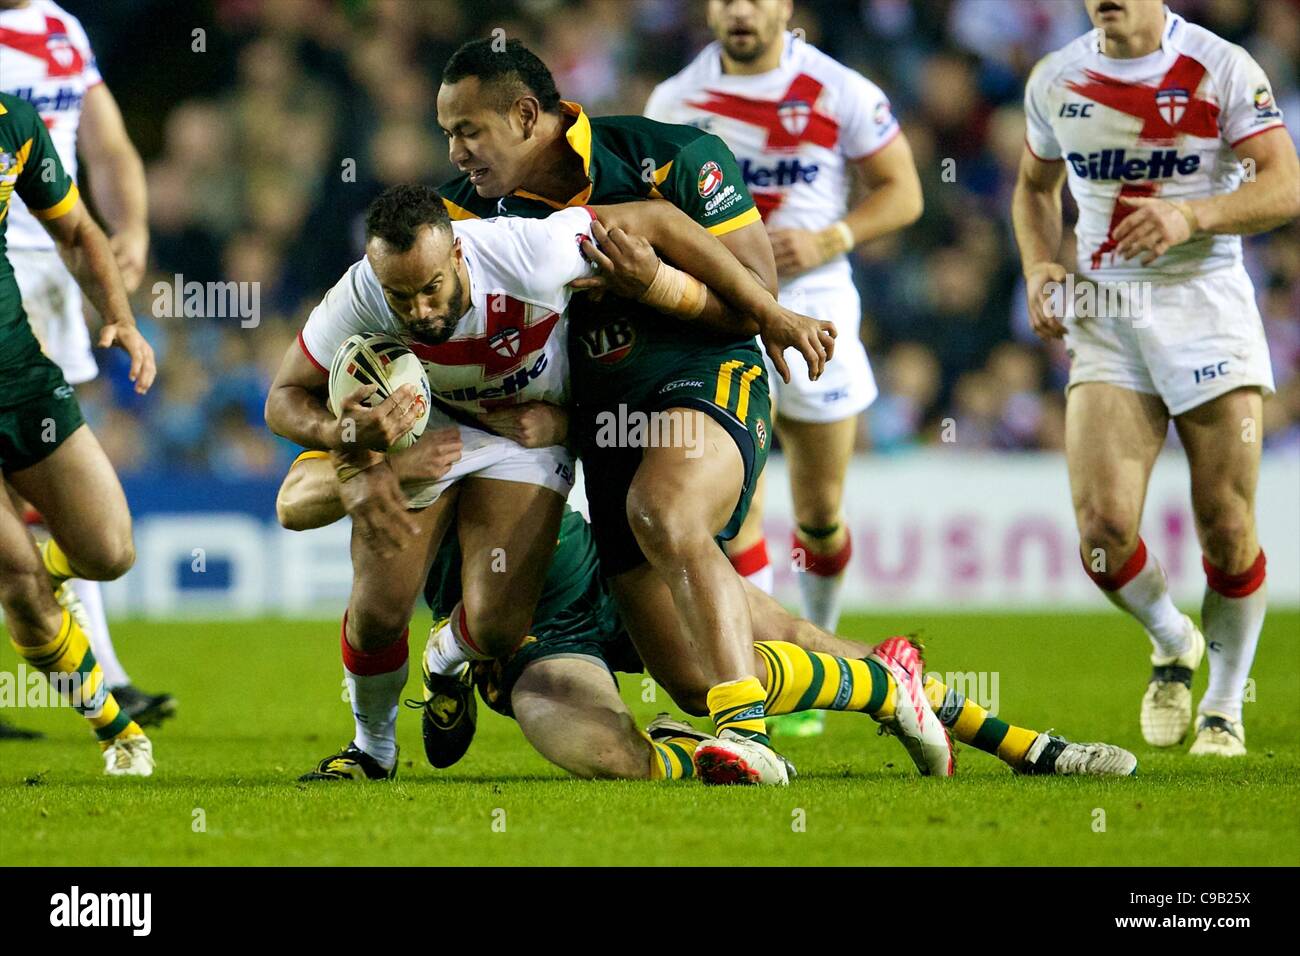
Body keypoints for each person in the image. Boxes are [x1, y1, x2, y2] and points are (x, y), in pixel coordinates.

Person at [263, 183, 829, 781]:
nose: (421, 313)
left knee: (498, 625)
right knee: (378, 610)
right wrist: (351, 437)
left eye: (431, 289)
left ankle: (448, 655)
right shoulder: (358, 296)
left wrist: (770, 312)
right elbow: (283, 400)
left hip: (522, 432)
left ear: (457, 255)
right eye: (400, 298)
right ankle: (372, 750)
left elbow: (657, 219)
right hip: (431, 432)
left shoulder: (529, 252)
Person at [433, 37, 838, 784]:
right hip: (602, 430)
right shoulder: (465, 222)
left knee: (667, 511)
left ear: (526, 115)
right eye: (447, 134)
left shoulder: (673, 155)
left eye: (468, 131)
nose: (455, 151)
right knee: (689, 673)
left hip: (702, 377)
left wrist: (654, 286)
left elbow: (752, 304)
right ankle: (899, 688)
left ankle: (743, 730)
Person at [276, 449, 1136, 782]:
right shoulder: (372, 412)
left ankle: (1026, 747)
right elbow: (295, 493)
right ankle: (698, 749)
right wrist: (363, 459)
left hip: (609, 567)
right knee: (618, 765)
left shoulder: (486, 376)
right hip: (535, 645)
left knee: (792, 636)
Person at [1012, 0, 1298, 755]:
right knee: (1103, 535)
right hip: (1107, 310)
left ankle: (1224, 708)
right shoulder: (1057, 77)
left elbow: (1286, 184)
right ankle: (1174, 641)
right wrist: (1041, 265)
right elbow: (1033, 189)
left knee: (1227, 526)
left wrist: (1193, 217)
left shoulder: (1222, 66)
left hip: (1204, 304)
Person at [645, 0, 925, 738]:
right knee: (738, 516)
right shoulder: (674, 102)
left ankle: (823, 638)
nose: (740, 10)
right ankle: (771, 675)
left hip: (823, 313)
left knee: (819, 516)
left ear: (786, 8)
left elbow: (906, 192)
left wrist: (833, 236)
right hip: (728, 322)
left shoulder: (840, 90)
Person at [0, 0, 173, 740]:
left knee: (67, 517)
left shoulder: (60, 28)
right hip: (20, 266)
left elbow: (106, 147)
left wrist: (127, 227)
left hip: (47, 284)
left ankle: (86, 650)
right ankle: (91, 665)